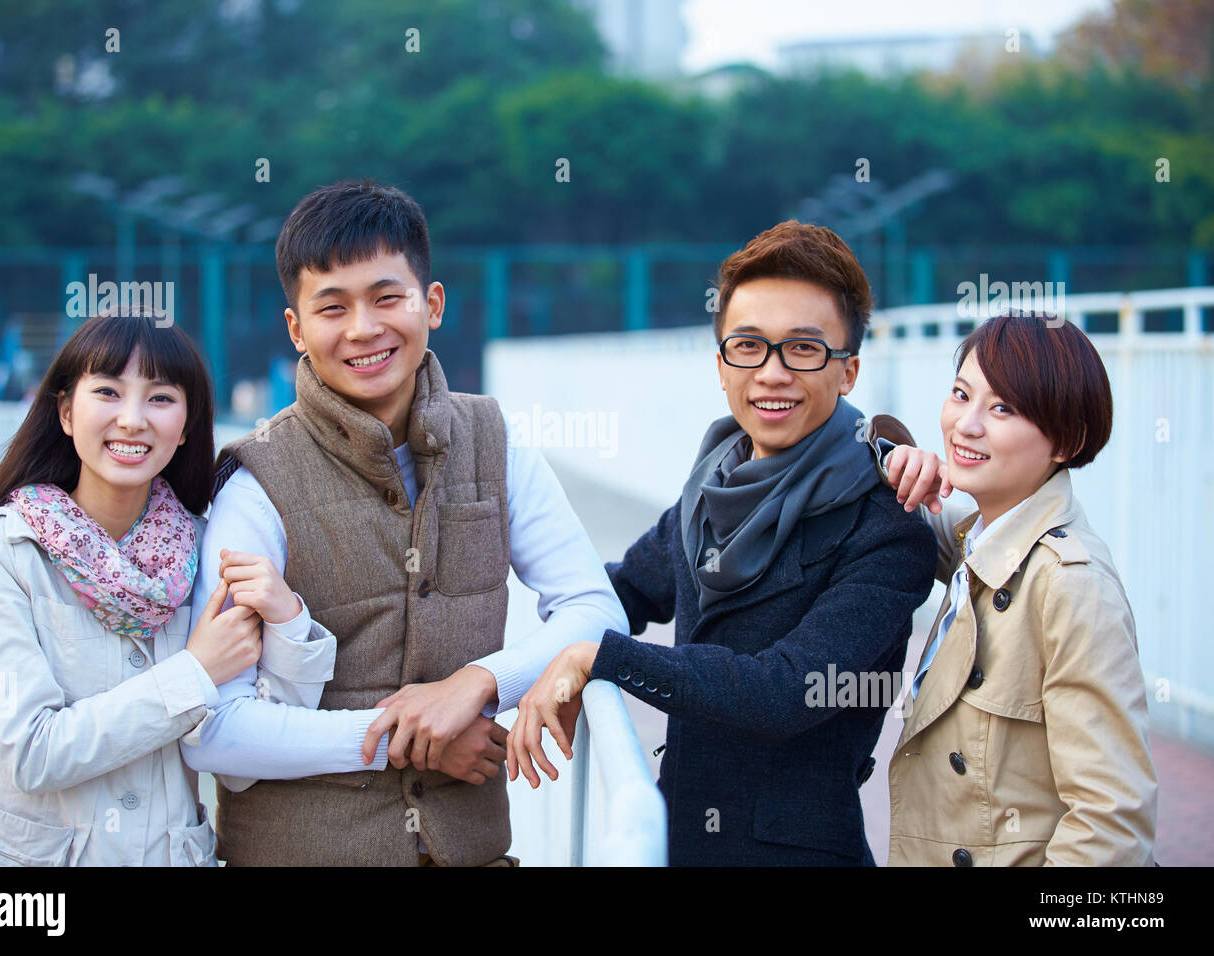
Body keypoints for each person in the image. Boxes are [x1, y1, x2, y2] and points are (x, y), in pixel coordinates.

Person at [180, 180, 627, 866]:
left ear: (433, 303)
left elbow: (596, 610)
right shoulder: (254, 481)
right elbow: (213, 726)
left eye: (387, 298)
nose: (363, 329)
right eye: (332, 307)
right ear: (297, 329)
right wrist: (405, 737)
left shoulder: (496, 443)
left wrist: (479, 684)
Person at [506, 220, 938, 865]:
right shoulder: (714, 482)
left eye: (803, 350)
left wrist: (600, 656)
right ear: (720, 363)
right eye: (748, 347)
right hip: (680, 835)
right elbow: (620, 590)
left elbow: (786, 690)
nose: (771, 373)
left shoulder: (887, 526)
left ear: (848, 372)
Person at [0, 312, 334, 866]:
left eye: (161, 398)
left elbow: (243, 766)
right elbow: (31, 752)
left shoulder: (209, 553)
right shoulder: (5, 549)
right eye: (108, 392)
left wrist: (288, 625)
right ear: (65, 410)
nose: (133, 420)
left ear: (186, 425)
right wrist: (194, 673)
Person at [879, 312, 1158, 866]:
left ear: (1066, 441)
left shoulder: (1071, 584)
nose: (966, 426)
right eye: (961, 394)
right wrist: (898, 456)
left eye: (1003, 408)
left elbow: (1112, 823)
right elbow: (893, 491)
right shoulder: (983, 538)